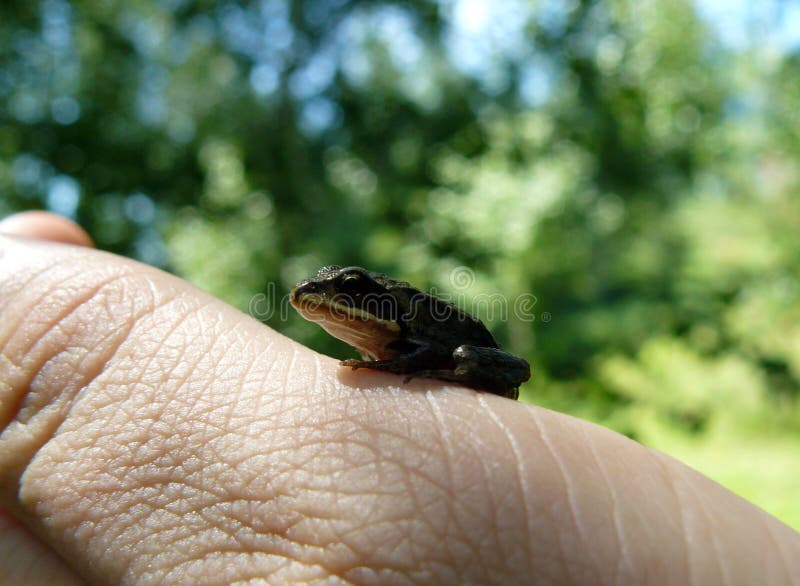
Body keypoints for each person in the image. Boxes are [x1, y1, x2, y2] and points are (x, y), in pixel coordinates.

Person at [0, 211, 797, 585]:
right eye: (327, 293)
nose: (325, 298)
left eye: (346, 291)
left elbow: (494, 362)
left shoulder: (400, 324)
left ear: (373, 302)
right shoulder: (363, 340)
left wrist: (422, 366)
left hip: (469, 352)